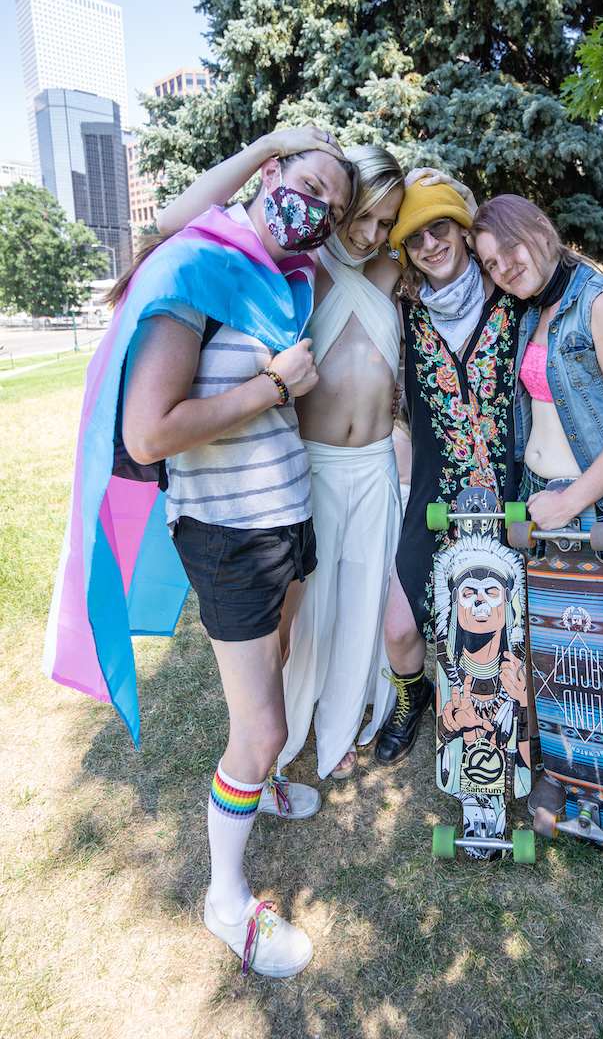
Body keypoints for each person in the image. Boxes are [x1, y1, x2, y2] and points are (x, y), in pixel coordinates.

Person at [47, 133, 357, 978]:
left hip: (285, 517)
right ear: (270, 177)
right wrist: (275, 388)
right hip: (228, 535)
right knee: (263, 727)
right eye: (307, 184)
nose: (316, 210)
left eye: (330, 206)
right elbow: (149, 431)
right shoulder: (194, 267)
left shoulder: (284, 279)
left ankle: (265, 783)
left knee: (281, 660)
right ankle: (227, 900)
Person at [158, 135, 409, 783]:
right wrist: (269, 149)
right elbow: (182, 225)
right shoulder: (300, 266)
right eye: (362, 218)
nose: (372, 234)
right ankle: (282, 732)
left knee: (364, 600)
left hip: (376, 466)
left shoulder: (393, 269)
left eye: (386, 221)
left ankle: (345, 718)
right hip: (312, 468)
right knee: (307, 616)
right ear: (338, 211)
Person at [469, 195, 603, 813]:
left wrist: (572, 500)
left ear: (542, 230)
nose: (503, 268)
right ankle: (556, 765)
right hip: (542, 500)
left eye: (510, 250)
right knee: (544, 645)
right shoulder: (537, 310)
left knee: (585, 651)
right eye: (491, 263)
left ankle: (591, 783)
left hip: (590, 506)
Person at [374, 180, 522, 767]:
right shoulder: (406, 312)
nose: (431, 244)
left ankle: (504, 724)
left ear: (463, 228)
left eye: (440, 228)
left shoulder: (511, 302)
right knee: (399, 627)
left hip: (511, 495)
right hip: (435, 496)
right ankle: (415, 697)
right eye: (415, 238)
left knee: (502, 631)